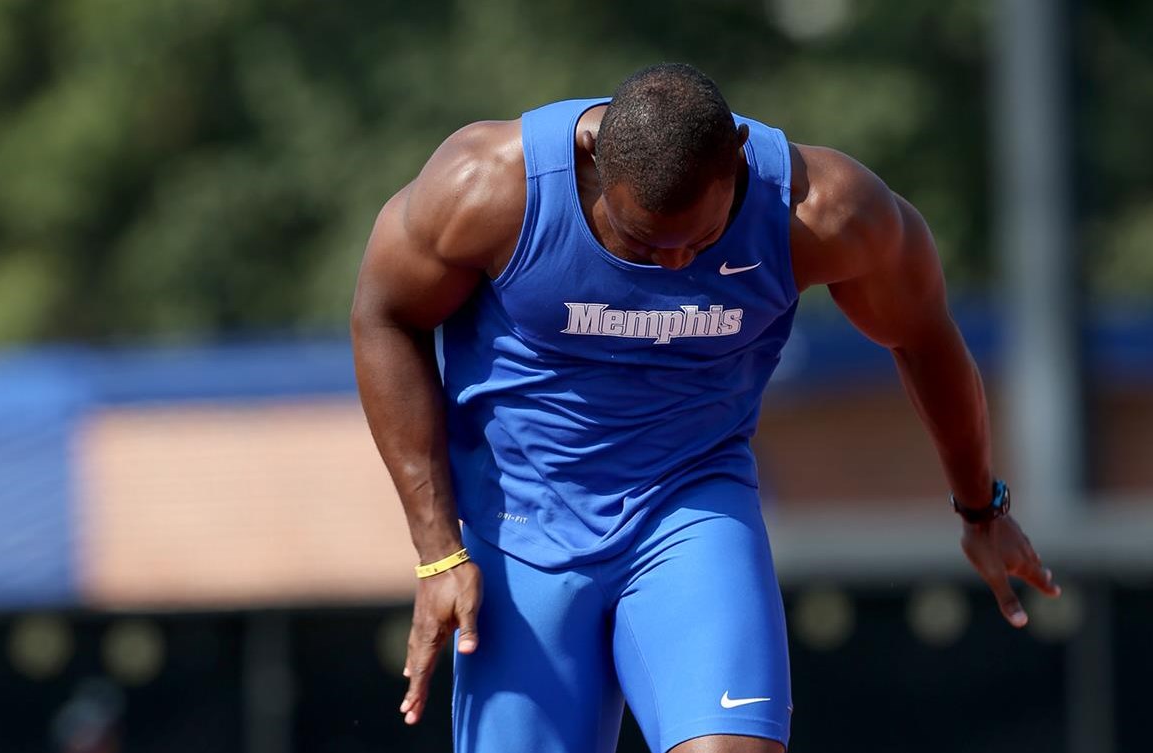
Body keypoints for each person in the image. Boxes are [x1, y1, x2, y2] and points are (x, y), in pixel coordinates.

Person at [350, 63, 1061, 753]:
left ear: (738, 162)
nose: (673, 264)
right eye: (641, 240)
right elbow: (383, 315)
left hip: (690, 506)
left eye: (699, 239)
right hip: (522, 527)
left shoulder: (824, 213)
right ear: (592, 160)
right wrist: (436, 553)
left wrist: (981, 508)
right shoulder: (488, 188)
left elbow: (923, 335)